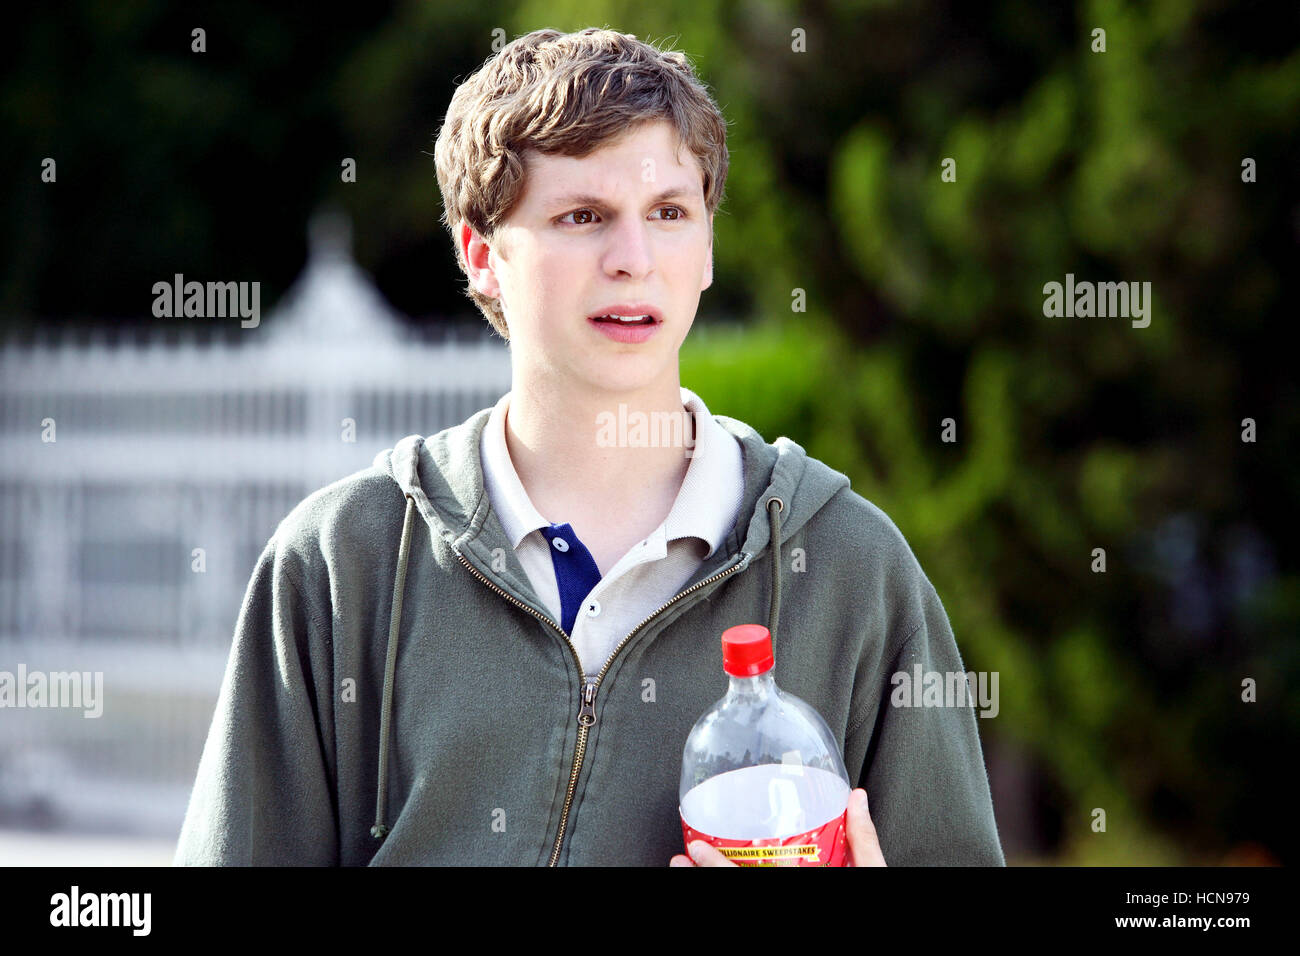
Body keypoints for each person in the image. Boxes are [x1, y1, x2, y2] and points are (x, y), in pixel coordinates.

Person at [174, 26, 1004, 866]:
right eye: (583, 217)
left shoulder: (852, 571)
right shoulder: (336, 567)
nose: (634, 260)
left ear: (708, 246)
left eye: (670, 214)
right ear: (481, 253)